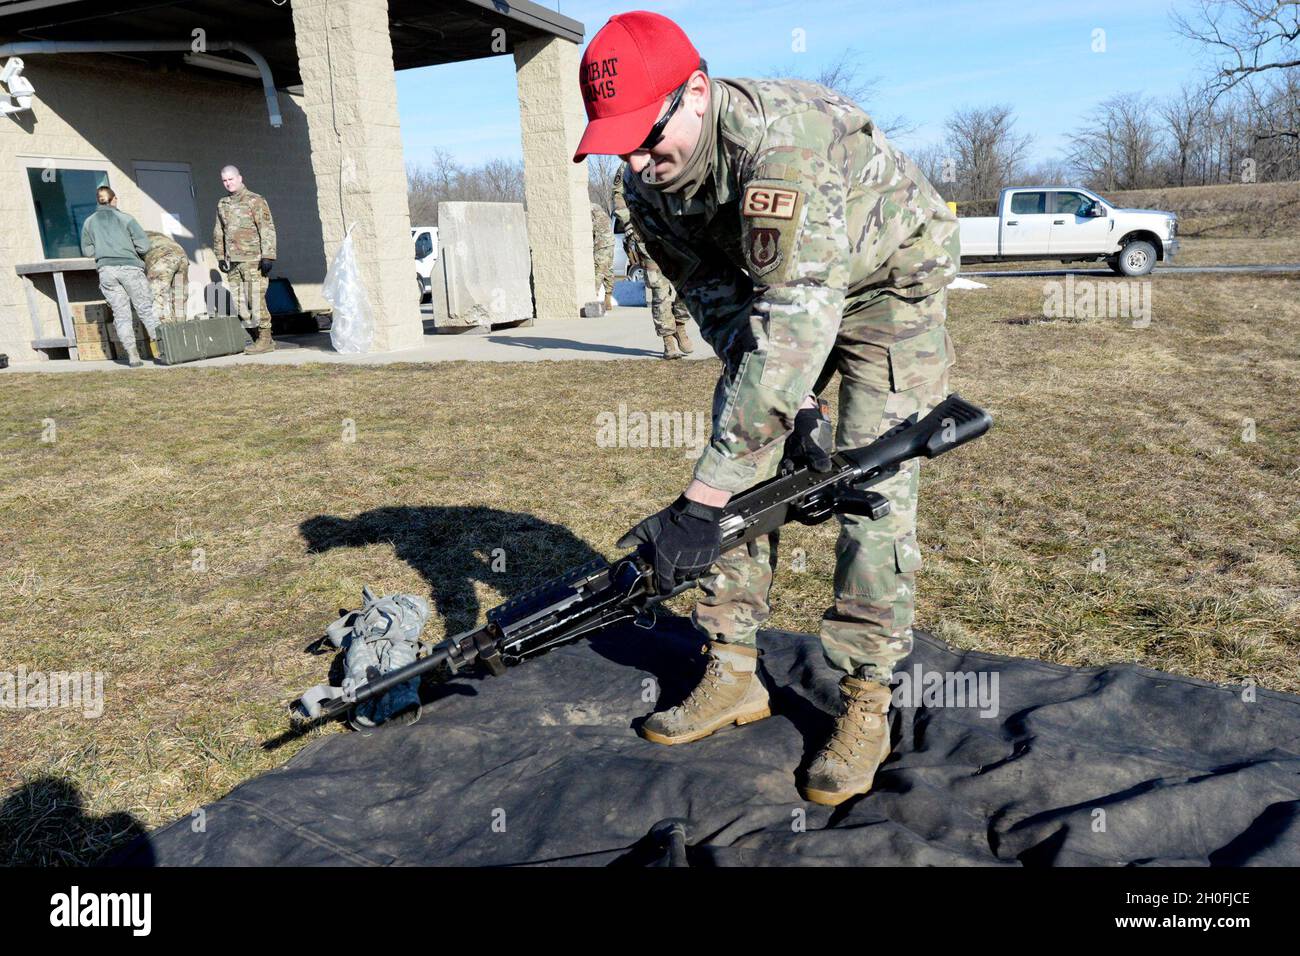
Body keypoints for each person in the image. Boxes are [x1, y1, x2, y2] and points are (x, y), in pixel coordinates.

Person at [574, 11, 960, 806]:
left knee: (870, 490)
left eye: (651, 137)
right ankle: (733, 670)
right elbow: (719, 303)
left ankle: (865, 698)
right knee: (744, 478)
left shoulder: (784, 144)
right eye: (624, 146)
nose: (643, 162)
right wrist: (776, 425)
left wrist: (698, 498)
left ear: (698, 93)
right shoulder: (642, 185)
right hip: (784, 304)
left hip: (888, 290)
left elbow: (798, 324)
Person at [612, 160, 693, 359]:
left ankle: (680, 324)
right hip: (646, 234)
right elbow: (618, 196)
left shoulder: (669, 154)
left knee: (690, 283)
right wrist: (629, 227)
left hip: (677, 233)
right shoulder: (628, 166)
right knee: (659, 290)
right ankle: (668, 340)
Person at [79, 186, 159, 368]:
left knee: (121, 314)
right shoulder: (126, 219)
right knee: (145, 310)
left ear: (98, 201)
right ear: (114, 199)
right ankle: (161, 350)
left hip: (107, 272)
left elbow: (88, 250)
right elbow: (144, 246)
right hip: (130, 268)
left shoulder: (89, 222)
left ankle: (133, 356)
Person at [212, 165, 277, 354]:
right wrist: (220, 255)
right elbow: (219, 231)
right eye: (224, 180)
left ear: (240, 178)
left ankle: (265, 338)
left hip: (252, 259)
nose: (228, 183)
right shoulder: (223, 204)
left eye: (231, 179)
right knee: (240, 302)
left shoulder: (255, 200)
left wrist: (268, 255)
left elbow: (266, 227)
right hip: (233, 261)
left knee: (255, 299)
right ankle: (256, 336)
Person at [144, 231, 188, 324]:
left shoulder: (131, 239)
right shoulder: (153, 234)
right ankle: (182, 329)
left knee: (159, 300)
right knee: (179, 298)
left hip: (163, 259)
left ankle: (165, 333)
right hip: (182, 257)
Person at [590, 201, 616, 312]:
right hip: (610, 242)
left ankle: (593, 297)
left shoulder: (589, 209)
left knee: (599, 271)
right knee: (608, 270)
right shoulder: (598, 208)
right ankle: (608, 298)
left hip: (601, 244)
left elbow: (589, 229)